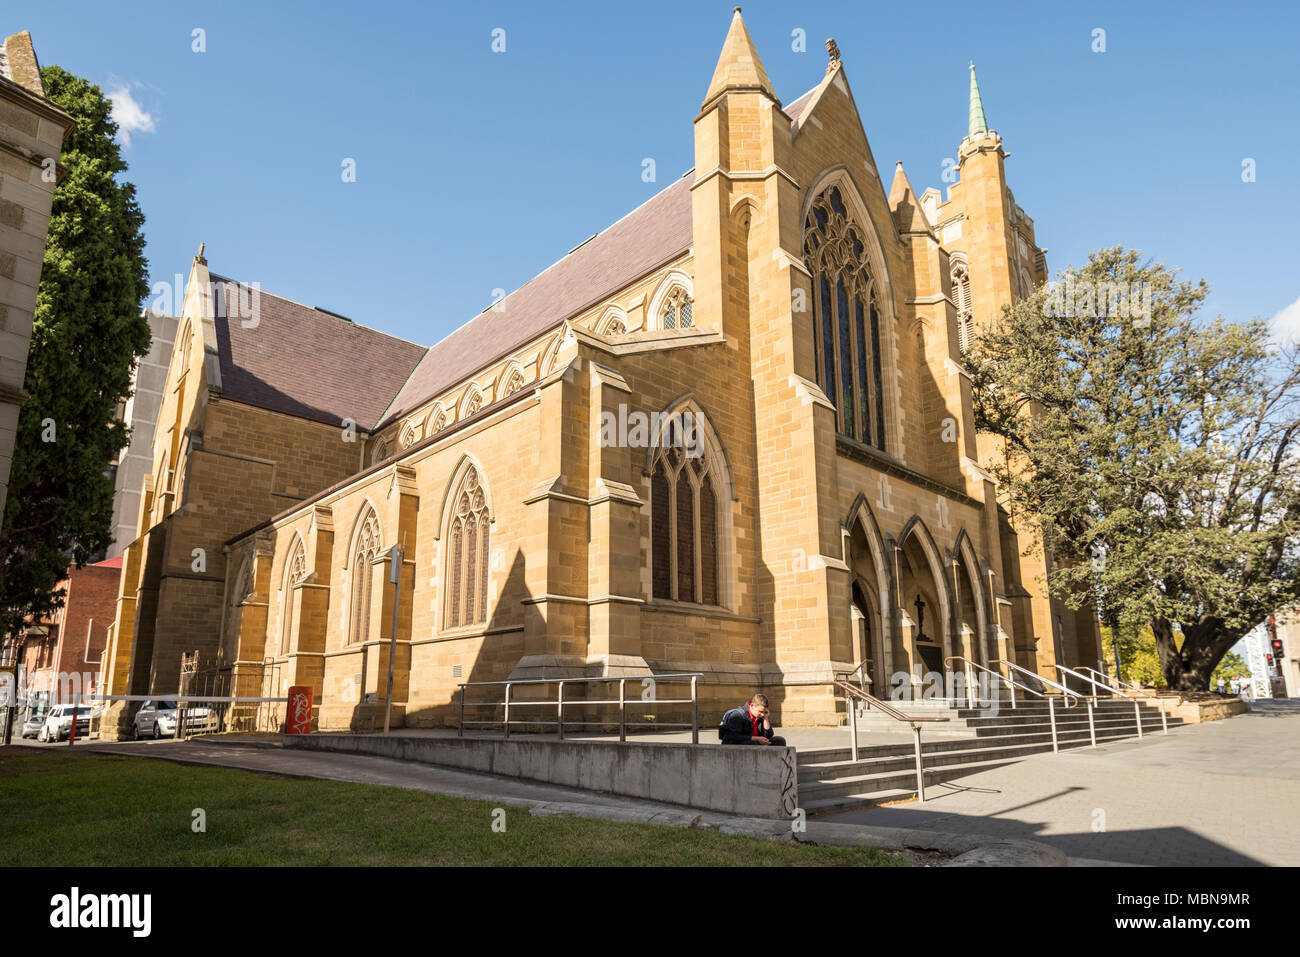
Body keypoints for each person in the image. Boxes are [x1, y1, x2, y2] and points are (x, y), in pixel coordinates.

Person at [718, 693, 786, 746]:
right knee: (753, 743)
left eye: (764, 712)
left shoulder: (760, 716)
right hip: (734, 746)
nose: (762, 714)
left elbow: (768, 736)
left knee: (780, 741)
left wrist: (766, 719)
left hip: (755, 743)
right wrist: (756, 738)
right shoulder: (737, 716)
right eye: (760, 711)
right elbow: (732, 736)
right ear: (752, 706)